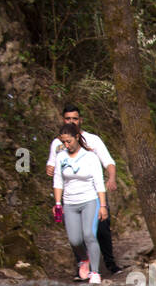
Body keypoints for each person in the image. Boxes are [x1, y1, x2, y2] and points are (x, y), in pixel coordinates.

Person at [46, 104, 121, 275]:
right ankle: (82, 264)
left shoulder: (93, 140)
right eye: (68, 119)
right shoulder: (57, 144)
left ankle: (109, 263)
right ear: (63, 119)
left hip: (93, 192)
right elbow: (52, 167)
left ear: (80, 120)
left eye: (74, 118)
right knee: (75, 233)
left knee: (101, 227)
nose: (71, 121)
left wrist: (112, 177)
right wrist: (50, 169)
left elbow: (108, 162)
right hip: (70, 193)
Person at [52, 123, 107, 284]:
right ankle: (84, 259)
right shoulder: (61, 157)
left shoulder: (90, 157)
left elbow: (99, 182)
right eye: (64, 142)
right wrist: (57, 203)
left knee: (89, 235)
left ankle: (95, 272)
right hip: (69, 203)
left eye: (69, 141)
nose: (66, 145)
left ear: (77, 137)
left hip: (90, 200)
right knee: (75, 240)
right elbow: (58, 181)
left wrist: (102, 205)